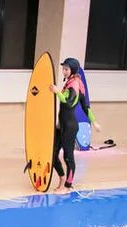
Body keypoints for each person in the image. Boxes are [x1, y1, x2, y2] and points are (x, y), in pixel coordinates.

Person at [48, 57, 101, 192]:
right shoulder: (70, 83)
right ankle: (61, 178)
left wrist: (57, 92)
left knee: (67, 156)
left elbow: (69, 102)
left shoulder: (75, 85)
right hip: (61, 125)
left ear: (72, 70)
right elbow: (85, 107)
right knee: (53, 155)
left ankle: (67, 185)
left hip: (70, 126)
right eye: (63, 69)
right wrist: (94, 122)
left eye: (66, 69)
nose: (64, 71)